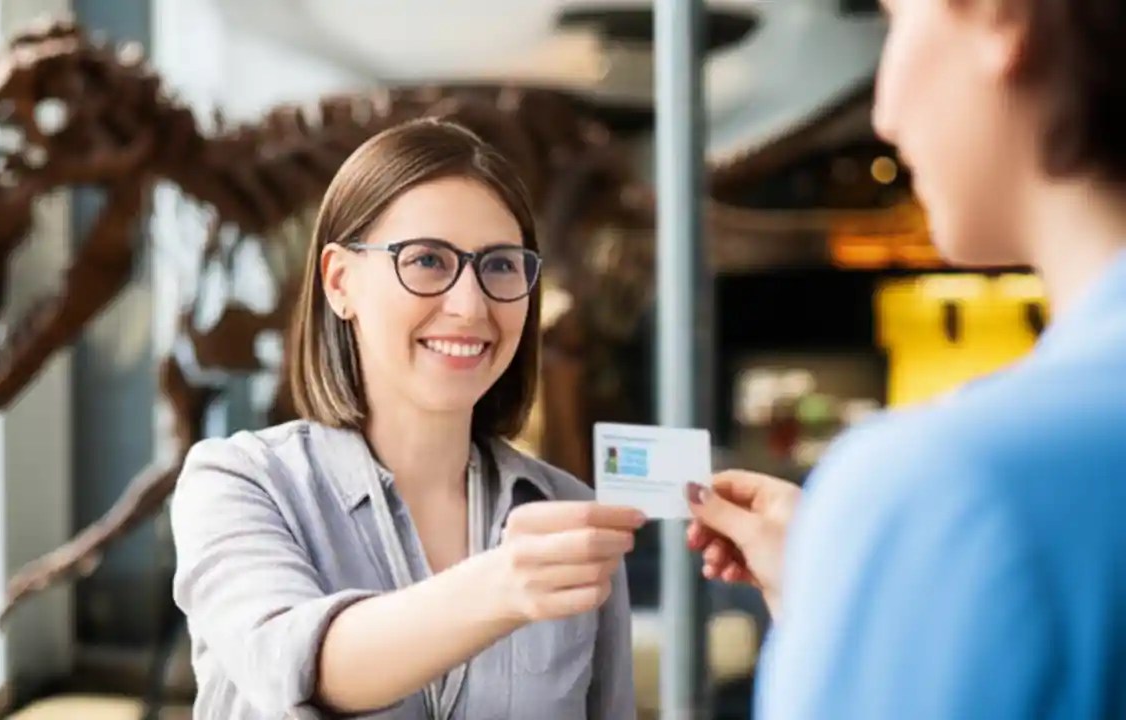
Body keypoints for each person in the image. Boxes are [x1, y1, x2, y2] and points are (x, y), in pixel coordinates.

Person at [687, 0, 1126, 717]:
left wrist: (894, 565)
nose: (884, 113)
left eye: (895, 22)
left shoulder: (950, 486)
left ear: (998, 17)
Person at [169, 117, 644, 719]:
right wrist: (500, 587)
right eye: (426, 260)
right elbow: (295, 668)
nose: (470, 306)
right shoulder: (240, 482)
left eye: (500, 266)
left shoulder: (565, 515)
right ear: (340, 282)